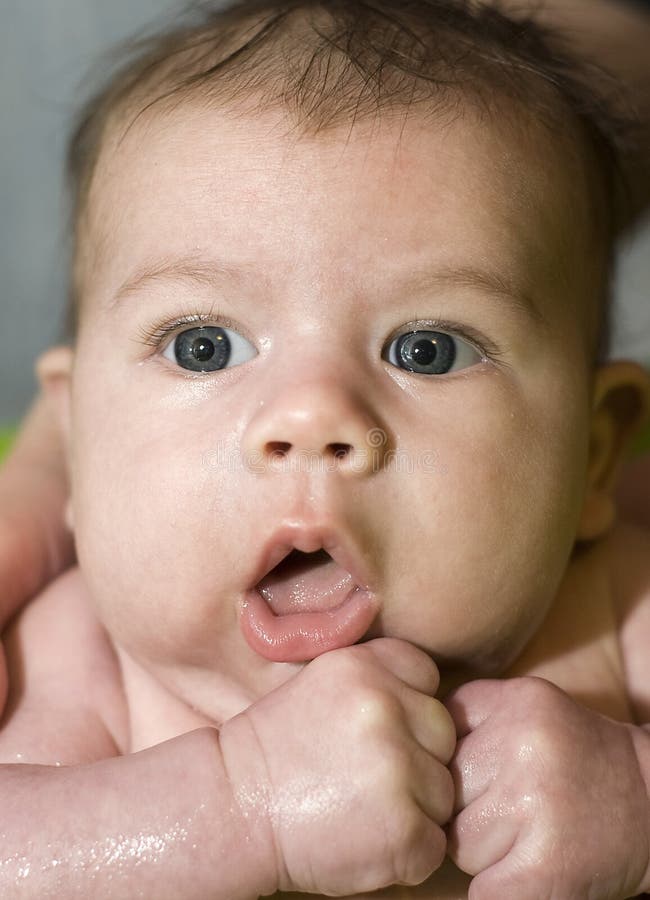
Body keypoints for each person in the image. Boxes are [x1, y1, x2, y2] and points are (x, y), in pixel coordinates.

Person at [0, 0, 650, 897]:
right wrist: (243, 806)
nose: (311, 416)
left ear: (593, 454)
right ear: (74, 439)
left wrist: (634, 798)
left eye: (429, 349)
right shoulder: (78, 660)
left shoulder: (615, 607)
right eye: (203, 346)